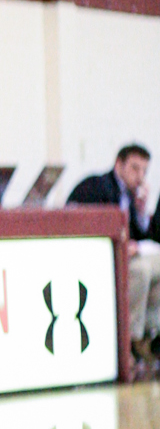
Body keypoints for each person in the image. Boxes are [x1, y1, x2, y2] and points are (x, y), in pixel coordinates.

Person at [67, 144, 156, 363]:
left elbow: (141, 234)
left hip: (125, 255)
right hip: (102, 258)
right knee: (141, 272)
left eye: (144, 171)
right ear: (119, 164)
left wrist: (142, 211)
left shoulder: (130, 195)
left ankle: (151, 334)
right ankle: (130, 340)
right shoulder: (98, 187)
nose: (140, 176)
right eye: (135, 169)